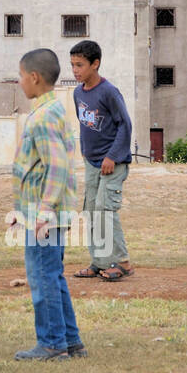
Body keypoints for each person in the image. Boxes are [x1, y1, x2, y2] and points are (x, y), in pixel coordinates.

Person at [6, 48, 84, 361]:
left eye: (22, 75)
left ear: (34, 78)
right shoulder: (51, 110)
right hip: (39, 211)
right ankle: (70, 341)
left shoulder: (44, 116)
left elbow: (56, 165)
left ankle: (52, 345)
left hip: (44, 215)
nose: (20, 81)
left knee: (42, 277)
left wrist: (44, 210)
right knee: (53, 275)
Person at [68, 40, 134, 282]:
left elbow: (124, 125)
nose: (75, 70)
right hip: (92, 163)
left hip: (112, 163)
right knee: (92, 212)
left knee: (106, 211)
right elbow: (86, 126)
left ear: (95, 64)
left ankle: (123, 262)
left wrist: (112, 156)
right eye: (73, 65)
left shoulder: (109, 92)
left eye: (80, 65)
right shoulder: (77, 93)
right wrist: (87, 153)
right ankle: (100, 262)